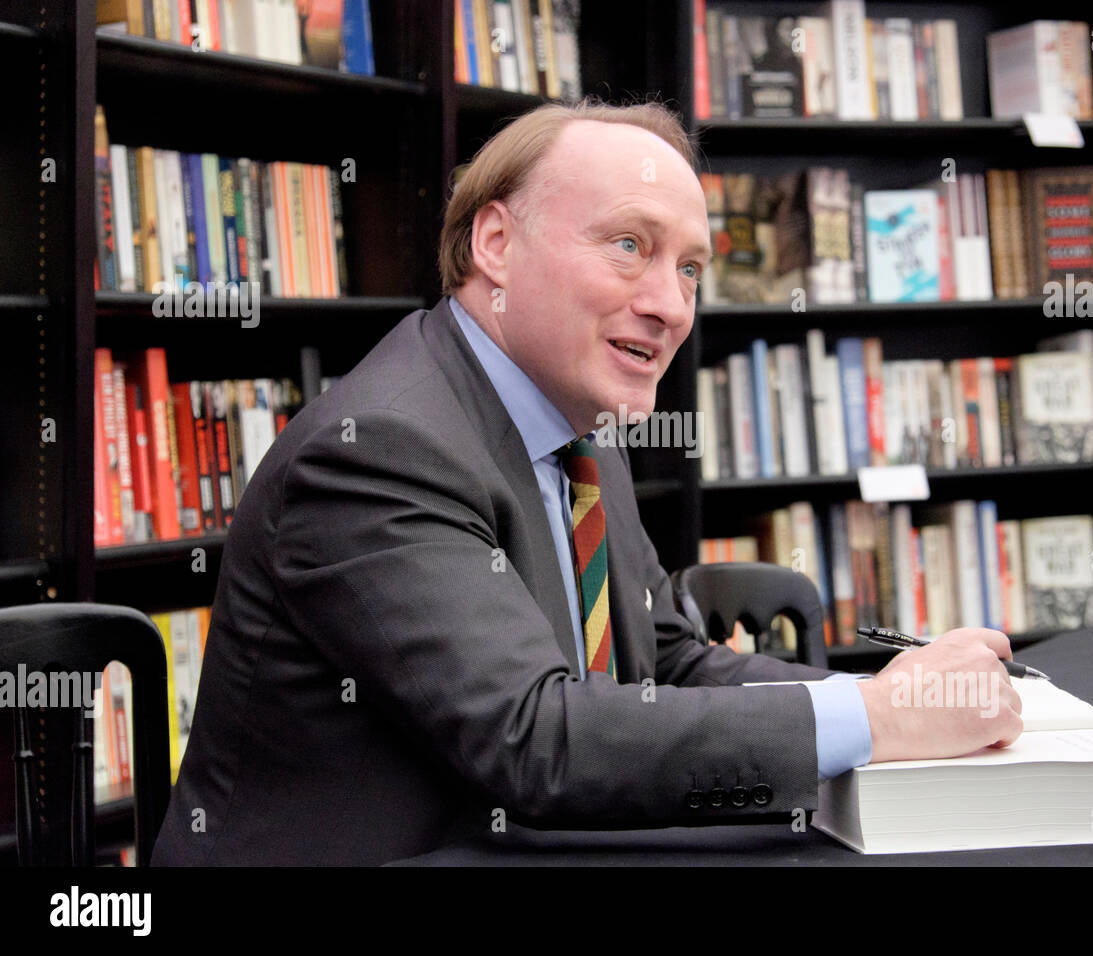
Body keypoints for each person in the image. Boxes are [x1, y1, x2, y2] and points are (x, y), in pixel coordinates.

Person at [151, 98, 1022, 866]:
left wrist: (879, 697)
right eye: (629, 246)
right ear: (495, 244)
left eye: (688, 268)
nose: (671, 305)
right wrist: (880, 721)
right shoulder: (380, 448)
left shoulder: (580, 427)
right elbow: (535, 738)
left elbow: (667, 660)